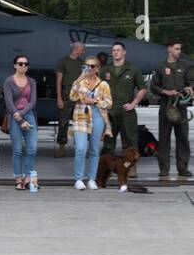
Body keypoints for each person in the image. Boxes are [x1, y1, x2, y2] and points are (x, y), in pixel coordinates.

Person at [150, 39, 192, 179]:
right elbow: (153, 87)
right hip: (166, 106)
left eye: (179, 49)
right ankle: (164, 169)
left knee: (183, 138)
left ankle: (183, 168)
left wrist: (189, 88)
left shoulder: (185, 66)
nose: (179, 51)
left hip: (181, 106)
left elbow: (191, 82)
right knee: (164, 138)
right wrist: (165, 92)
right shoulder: (160, 66)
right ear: (169, 49)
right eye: (176, 49)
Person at [69, 57, 111, 190]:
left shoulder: (103, 84)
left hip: (98, 115)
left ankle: (92, 179)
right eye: (87, 66)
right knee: (81, 148)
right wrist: (79, 79)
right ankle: (79, 179)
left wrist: (96, 102)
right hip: (81, 114)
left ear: (98, 69)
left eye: (92, 66)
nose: (89, 68)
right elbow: (72, 97)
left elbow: (109, 103)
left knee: (94, 149)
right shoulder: (79, 82)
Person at [103, 41, 146, 164]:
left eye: (118, 50)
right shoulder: (105, 70)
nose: (116, 52)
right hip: (110, 111)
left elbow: (142, 88)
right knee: (108, 141)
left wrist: (134, 103)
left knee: (129, 142)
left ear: (124, 52)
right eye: (114, 50)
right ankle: (107, 167)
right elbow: (98, 88)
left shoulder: (133, 69)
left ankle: (129, 166)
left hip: (127, 111)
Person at [4, 55, 39, 192]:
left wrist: (23, 115)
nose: (23, 66)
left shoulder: (31, 81)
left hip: (28, 115)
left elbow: (33, 101)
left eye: (26, 64)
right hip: (14, 116)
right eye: (20, 63)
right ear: (15, 65)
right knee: (17, 150)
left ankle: (28, 178)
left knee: (32, 149)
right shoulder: (8, 81)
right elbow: (8, 102)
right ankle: (18, 179)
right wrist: (18, 117)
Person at [53, 41, 85, 157]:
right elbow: (58, 81)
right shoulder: (62, 62)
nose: (83, 51)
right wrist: (59, 98)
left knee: (80, 122)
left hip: (80, 94)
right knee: (63, 121)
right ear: (76, 49)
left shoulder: (82, 64)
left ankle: (80, 146)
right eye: (82, 49)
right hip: (66, 93)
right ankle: (61, 146)